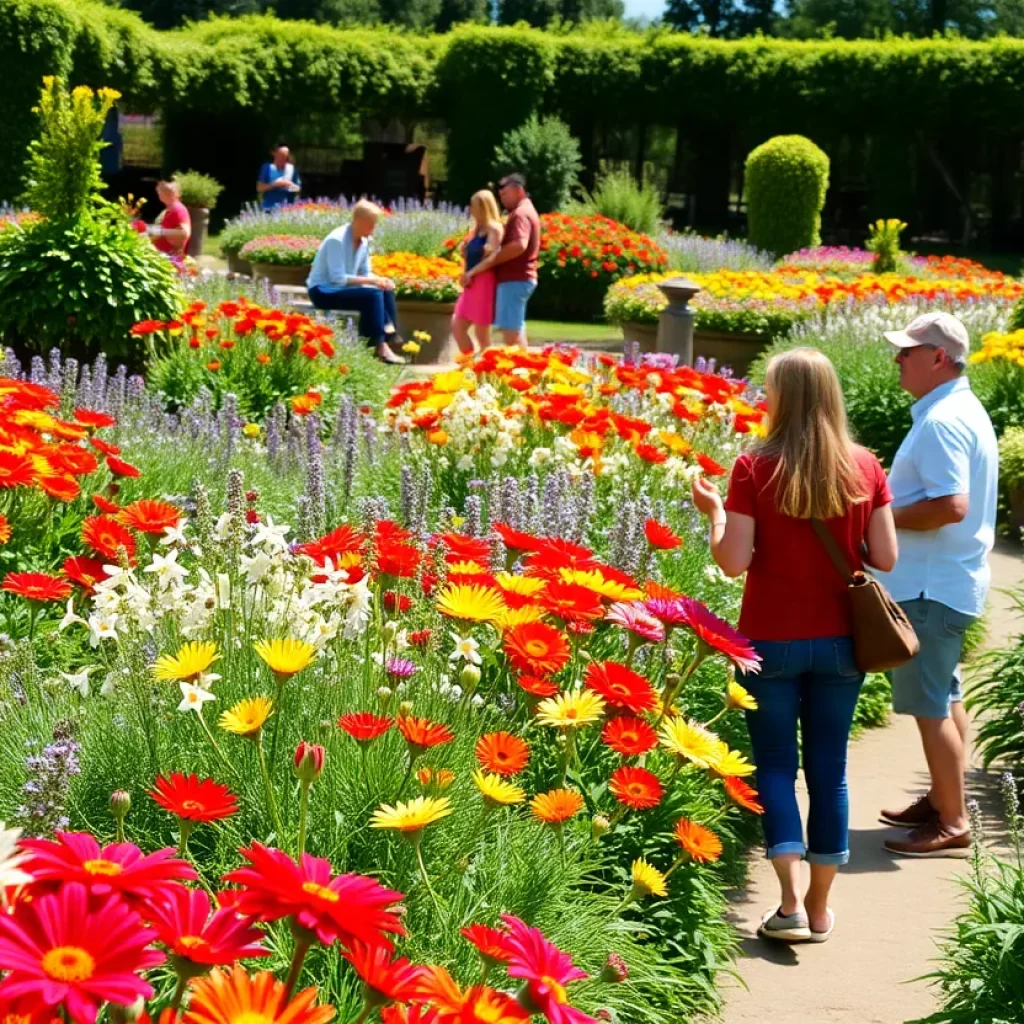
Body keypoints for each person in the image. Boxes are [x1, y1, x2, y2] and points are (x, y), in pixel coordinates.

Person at [691, 347, 898, 944]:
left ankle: (787, 905)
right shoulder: (864, 467)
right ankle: (821, 905)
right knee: (829, 772)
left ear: (780, 396)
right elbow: (885, 558)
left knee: (776, 768)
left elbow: (733, 563)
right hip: (840, 643)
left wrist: (712, 515)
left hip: (771, 641)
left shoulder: (753, 467)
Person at [875, 312, 998, 858]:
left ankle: (952, 821)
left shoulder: (943, 419)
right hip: (946, 582)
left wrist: (879, 517)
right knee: (945, 696)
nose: (899, 358)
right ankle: (943, 798)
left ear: (939, 358)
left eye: (908, 351)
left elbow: (950, 505)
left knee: (929, 705)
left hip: (929, 588)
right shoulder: (955, 410)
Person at [306, 200, 404, 365]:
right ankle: (379, 345)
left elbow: (365, 273)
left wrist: (381, 279)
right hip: (323, 291)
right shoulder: (335, 240)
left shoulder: (364, 241)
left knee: (385, 289)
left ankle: (388, 336)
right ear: (359, 221)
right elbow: (337, 279)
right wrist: (373, 281)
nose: (374, 228)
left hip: (344, 288)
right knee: (373, 294)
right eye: (371, 224)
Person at [462, 172, 540, 348]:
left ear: (518, 190)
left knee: (511, 333)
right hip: (520, 279)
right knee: (516, 329)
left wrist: (494, 258)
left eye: (505, 194)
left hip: (515, 278)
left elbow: (519, 244)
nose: (502, 199)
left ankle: (517, 371)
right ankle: (523, 369)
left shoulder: (520, 213)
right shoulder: (527, 210)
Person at [452, 190, 503, 355]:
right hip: (471, 282)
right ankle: (469, 365)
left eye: (473, 206)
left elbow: (493, 258)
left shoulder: (494, 229)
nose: (470, 209)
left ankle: (482, 370)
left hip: (483, 282)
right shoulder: (476, 229)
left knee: (482, 335)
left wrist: (471, 273)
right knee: (457, 326)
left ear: (483, 207)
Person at [147, 179, 191, 257]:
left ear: (173, 193)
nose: (159, 193)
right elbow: (164, 228)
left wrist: (160, 232)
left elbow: (185, 233)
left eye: (161, 191)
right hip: (161, 256)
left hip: (170, 258)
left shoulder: (178, 209)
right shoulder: (170, 209)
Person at [257, 145, 301, 211]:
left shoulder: (292, 169)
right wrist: (275, 184)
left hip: (287, 209)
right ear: (274, 154)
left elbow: (298, 190)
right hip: (268, 208)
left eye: (285, 156)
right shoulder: (267, 168)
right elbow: (259, 188)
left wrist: (289, 184)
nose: (282, 159)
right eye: (280, 155)